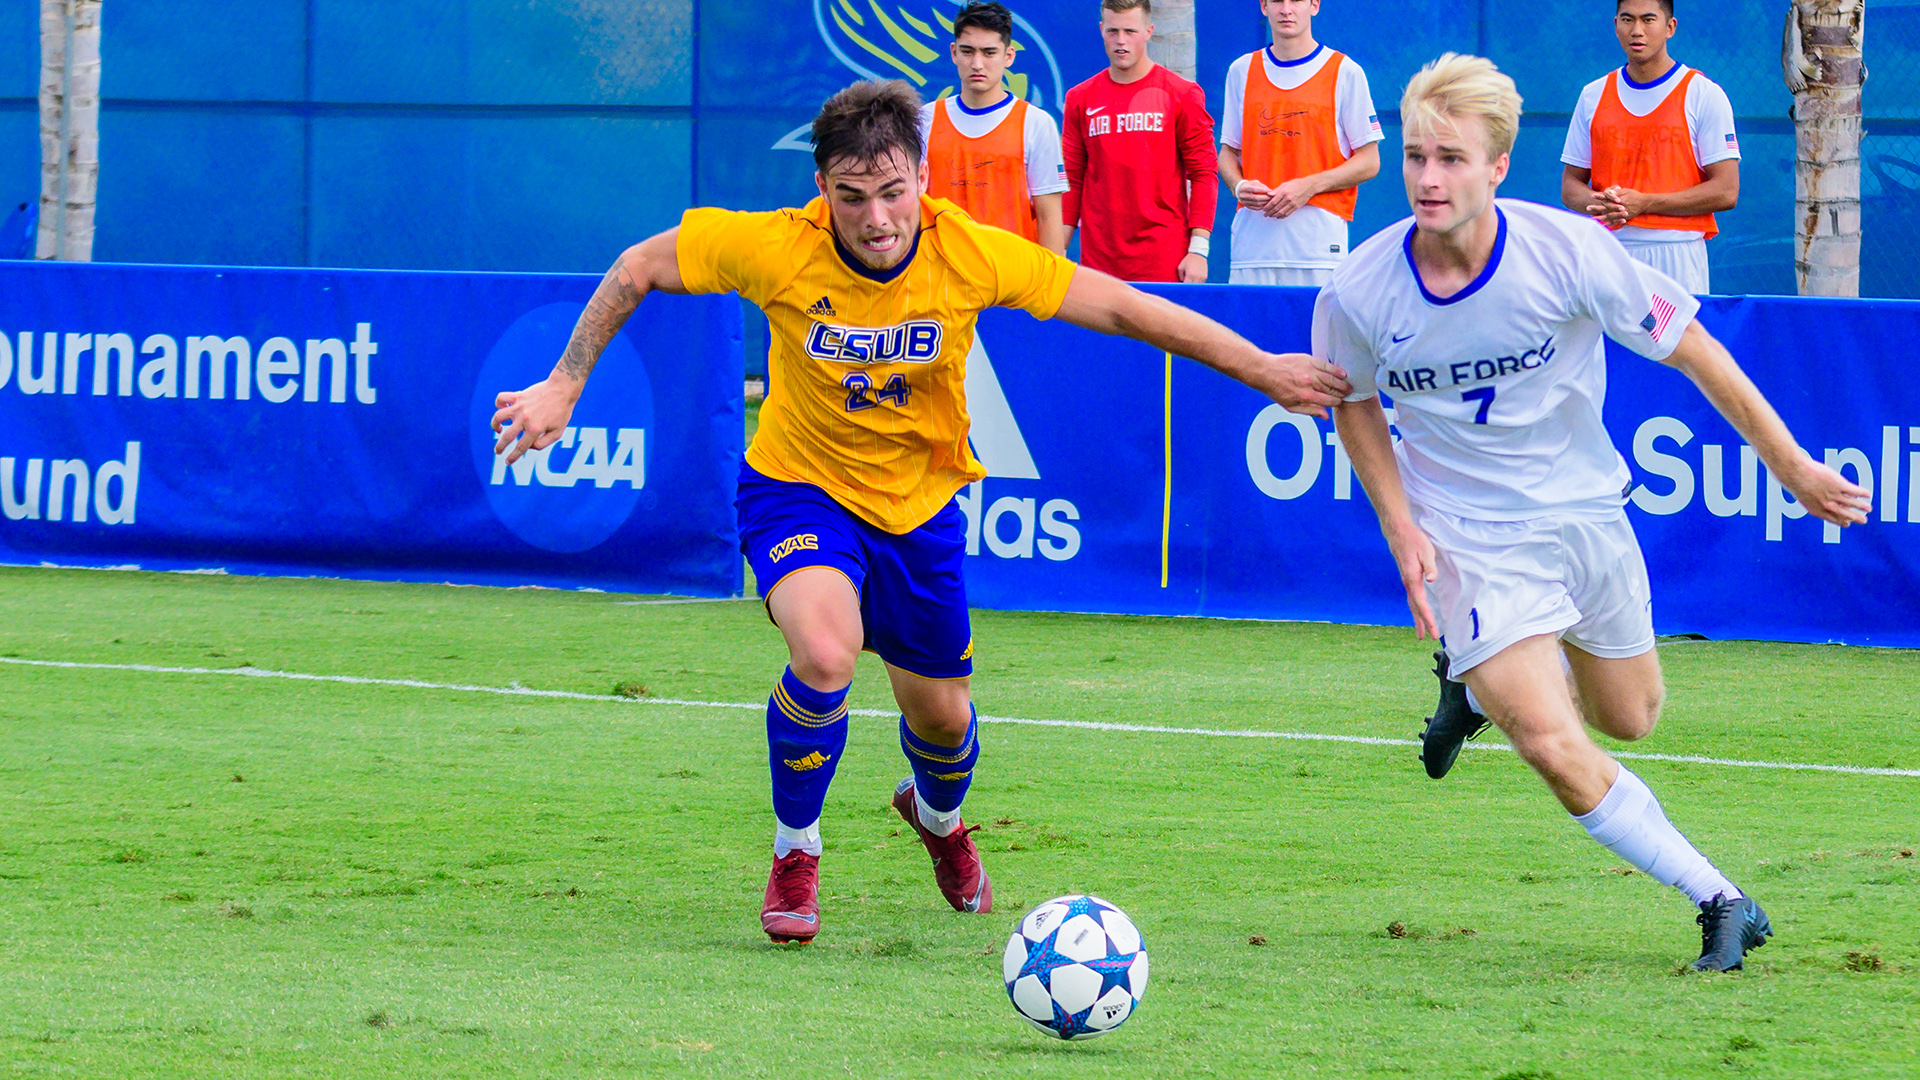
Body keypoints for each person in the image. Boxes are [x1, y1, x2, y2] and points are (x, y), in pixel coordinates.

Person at [491, 79, 1350, 945]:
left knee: (943, 720)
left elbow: (1126, 306)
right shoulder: (775, 247)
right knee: (825, 655)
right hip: (799, 485)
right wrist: (565, 382)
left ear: (923, 179)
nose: (875, 218)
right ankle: (796, 851)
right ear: (822, 188)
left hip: (920, 506)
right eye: (852, 196)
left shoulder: (969, 251)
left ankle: (937, 820)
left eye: (894, 191)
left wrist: (1260, 369)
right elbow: (638, 264)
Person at [1313, 54, 1868, 970]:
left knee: (1630, 718)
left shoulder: (1567, 252)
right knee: (1551, 741)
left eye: (1451, 157)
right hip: (1471, 541)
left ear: (1497, 165)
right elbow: (1354, 401)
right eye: (1415, 155)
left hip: (1584, 517)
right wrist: (1401, 524)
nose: (1426, 177)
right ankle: (1720, 899)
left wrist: (1795, 467)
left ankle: (1472, 681)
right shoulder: (1361, 289)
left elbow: (1695, 351)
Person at [1560, 0, 1739, 294]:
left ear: (1670, 27)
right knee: (1606, 342)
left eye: (1648, 20)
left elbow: (1726, 191)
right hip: (1607, 250)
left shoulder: (1704, 94)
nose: (1637, 31)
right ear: (1615, 25)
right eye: (1628, 20)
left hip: (1677, 251)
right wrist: (1604, 204)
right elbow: (1570, 187)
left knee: (1676, 342)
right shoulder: (1592, 95)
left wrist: (1645, 204)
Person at [1218, 0, 1383, 286]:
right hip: (1252, 248)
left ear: (1314, 5)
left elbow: (1370, 162)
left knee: (1313, 332)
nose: (1286, 9)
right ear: (1264, 6)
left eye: (1295, 0)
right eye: (1277, 1)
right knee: (1247, 332)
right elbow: (1228, 152)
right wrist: (1239, 186)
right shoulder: (1241, 71)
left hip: (1318, 248)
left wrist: (1309, 186)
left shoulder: (1345, 71)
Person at [1061, 0, 1219, 283]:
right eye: (1113, 31)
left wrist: (1198, 251)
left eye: (1130, 32)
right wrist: (1057, 248)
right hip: (1098, 262)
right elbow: (1071, 178)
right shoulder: (1079, 98)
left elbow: (1204, 174)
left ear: (1149, 31)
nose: (1121, 41)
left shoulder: (1182, 94)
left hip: (1164, 259)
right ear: (1101, 29)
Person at [919, 2, 1069, 255]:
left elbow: (1049, 219)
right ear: (954, 53)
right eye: (968, 52)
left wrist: (1053, 292)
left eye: (989, 53)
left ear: (1008, 56)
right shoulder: (925, 119)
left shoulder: (1036, 123)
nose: (977, 63)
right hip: (942, 279)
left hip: (1013, 283)